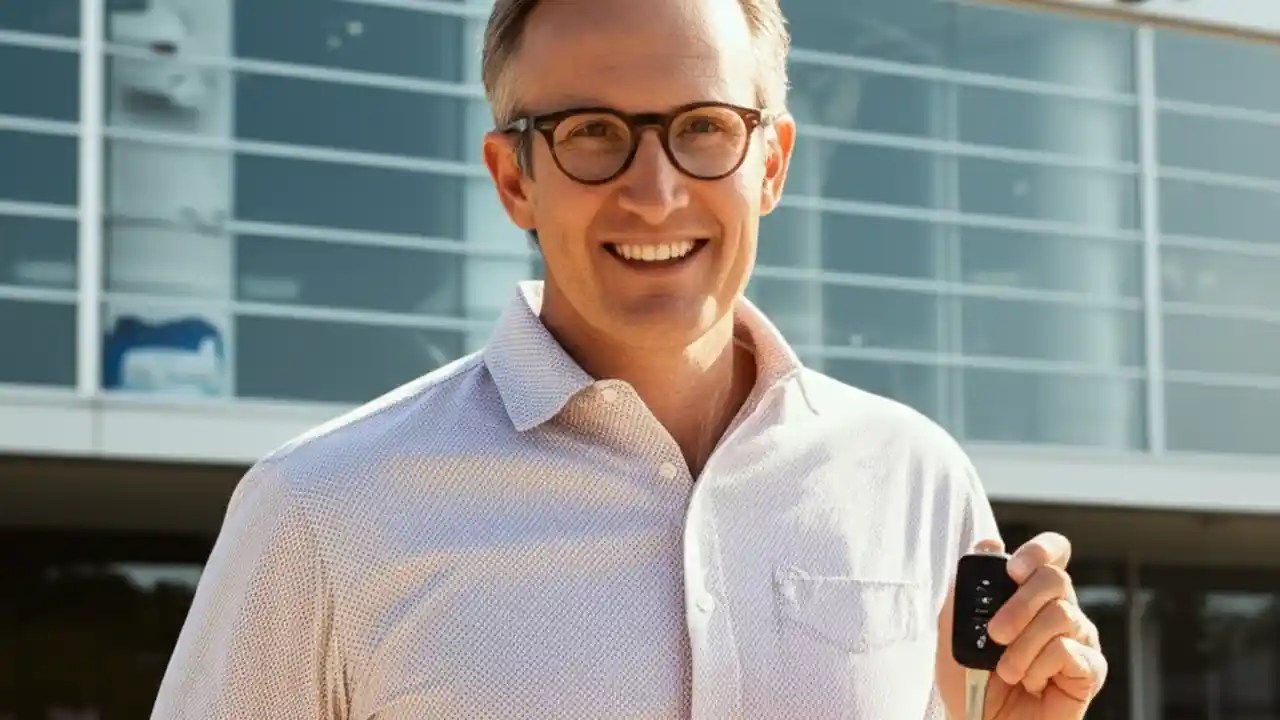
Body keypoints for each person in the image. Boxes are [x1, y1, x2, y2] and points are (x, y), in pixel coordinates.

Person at [150, 0, 1107, 717]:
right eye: (592, 134)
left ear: (769, 164)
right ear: (513, 177)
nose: (654, 194)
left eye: (702, 127)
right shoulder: (322, 511)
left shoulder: (918, 479)